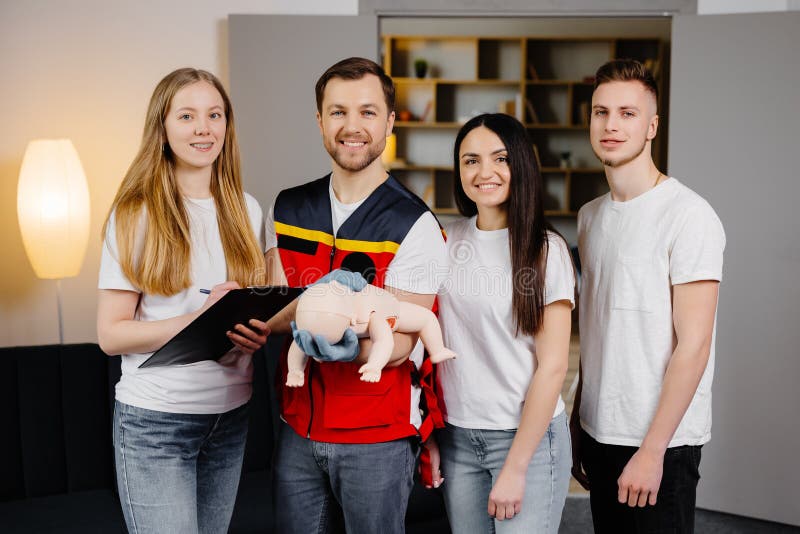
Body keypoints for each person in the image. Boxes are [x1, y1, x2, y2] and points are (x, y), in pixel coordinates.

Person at [263, 57, 448, 533]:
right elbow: (272, 308)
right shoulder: (285, 208)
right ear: (320, 120)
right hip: (296, 430)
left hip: (376, 438)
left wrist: (333, 336)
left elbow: (404, 342)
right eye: (338, 111)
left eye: (367, 112)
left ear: (389, 121)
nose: (352, 126)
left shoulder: (416, 224)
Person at [96, 68, 269, 533]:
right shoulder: (135, 214)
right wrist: (200, 319)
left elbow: (248, 310)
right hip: (156, 422)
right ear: (163, 127)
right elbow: (111, 335)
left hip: (230, 418)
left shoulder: (247, 209)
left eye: (215, 115)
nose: (203, 128)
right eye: (187, 116)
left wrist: (251, 331)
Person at [570, 59, 725, 533]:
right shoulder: (590, 217)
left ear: (652, 126)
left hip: (660, 442)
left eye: (627, 113)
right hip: (599, 432)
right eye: (601, 112)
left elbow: (694, 344)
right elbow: (597, 333)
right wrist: (579, 421)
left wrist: (653, 449)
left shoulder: (689, 215)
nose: (611, 124)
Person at [433, 113, 575, 533]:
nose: (484, 172)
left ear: (521, 166)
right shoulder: (444, 240)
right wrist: (431, 437)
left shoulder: (546, 250)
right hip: (457, 437)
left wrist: (516, 467)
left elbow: (553, 368)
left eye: (500, 159)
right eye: (470, 160)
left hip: (525, 440)